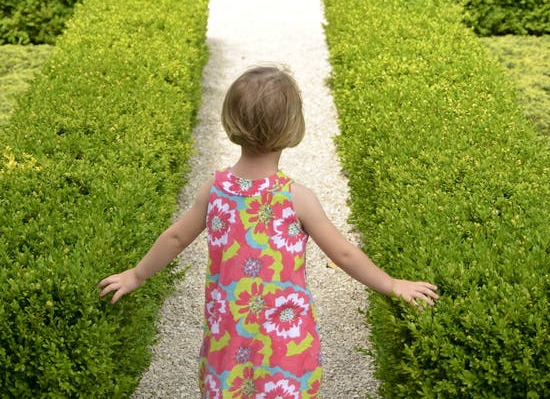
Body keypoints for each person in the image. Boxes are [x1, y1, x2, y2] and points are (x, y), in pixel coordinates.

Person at [98, 66, 438, 398]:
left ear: (231, 122)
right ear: (293, 128)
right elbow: (344, 254)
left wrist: (135, 275)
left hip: (227, 339)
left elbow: (175, 238)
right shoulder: (297, 199)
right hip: (284, 343)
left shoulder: (214, 190)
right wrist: (392, 284)